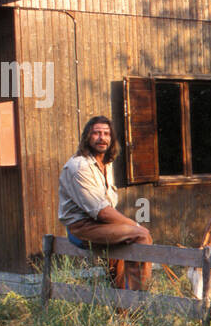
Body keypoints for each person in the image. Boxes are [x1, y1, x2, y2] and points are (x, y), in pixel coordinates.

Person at [58, 115, 152, 290]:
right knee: (142, 236)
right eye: (96, 133)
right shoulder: (79, 167)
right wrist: (136, 225)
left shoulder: (106, 164)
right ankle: (137, 299)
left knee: (127, 243)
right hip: (82, 227)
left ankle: (122, 306)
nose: (102, 138)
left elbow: (107, 208)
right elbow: (101, 211)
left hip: (101, 224)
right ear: (87, 137)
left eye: (106, 133)